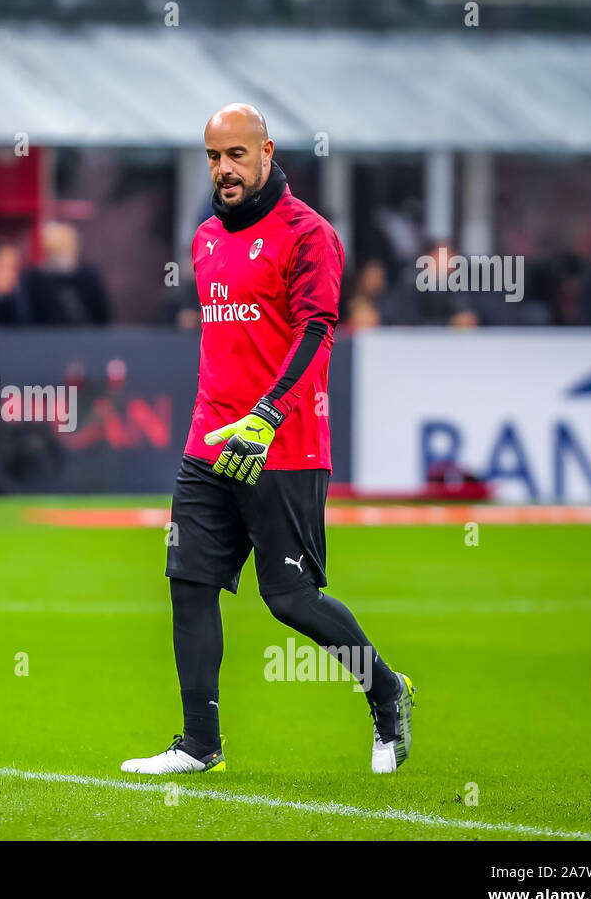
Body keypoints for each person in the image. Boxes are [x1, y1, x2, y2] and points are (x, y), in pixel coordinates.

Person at [121, 103, 415, 777]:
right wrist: (225, 422)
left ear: (267, 152)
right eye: (213, 157)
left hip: (283, 444)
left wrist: (267, 414)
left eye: (236, 155)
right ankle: (200, 744)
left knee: (291, 602)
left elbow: (318, 333)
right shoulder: (203, 240)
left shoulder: (309, 235)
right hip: (209, 443)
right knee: (188, 583)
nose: (224, 169)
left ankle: (386, 690)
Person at [22, 222, 110, 325]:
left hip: (85, 337)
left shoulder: (89, 277)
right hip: (46, 338)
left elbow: (101, 314)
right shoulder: (34, 280)